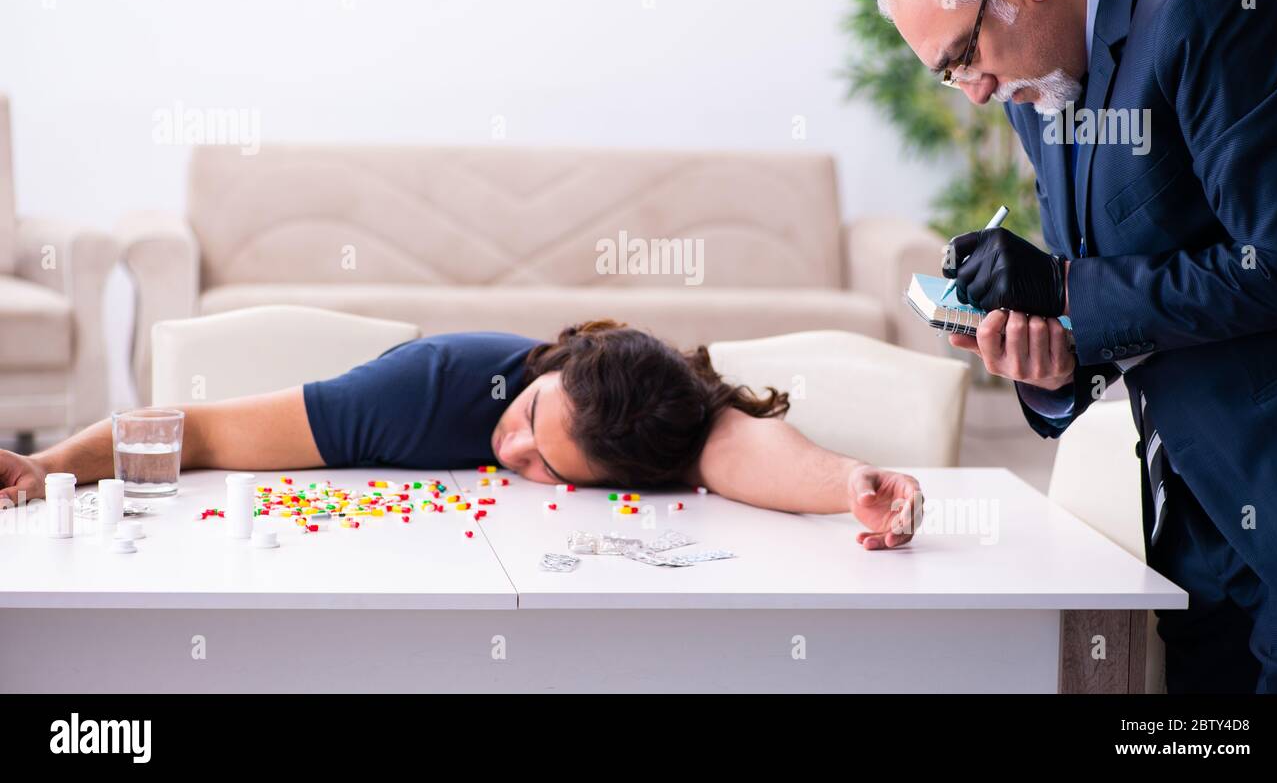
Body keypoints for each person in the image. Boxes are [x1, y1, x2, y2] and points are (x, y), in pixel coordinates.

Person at [876, 0, 1277, 692]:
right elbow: (1132, 288)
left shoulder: (1211, 14)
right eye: (948, 77)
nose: (972, 92)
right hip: (1195, 526)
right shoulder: (1041, 84)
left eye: (963, 59)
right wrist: (1055, 363)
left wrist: (1066, 284)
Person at [0, 319, 921, 551]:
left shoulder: (655, 421)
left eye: (545, 466)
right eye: (526, 423)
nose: (508, 447)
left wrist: (852, 487)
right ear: (550, 363)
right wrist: (44, 466)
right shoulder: (427, 389)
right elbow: (193, 431)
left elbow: (733, 444)